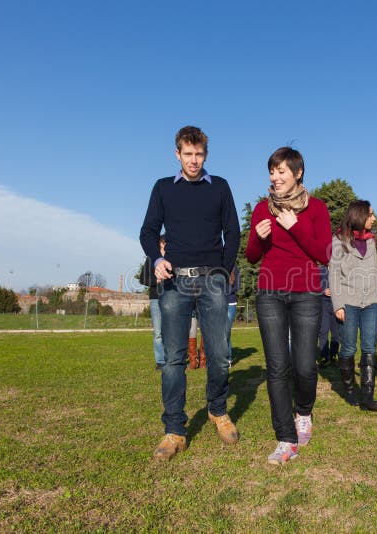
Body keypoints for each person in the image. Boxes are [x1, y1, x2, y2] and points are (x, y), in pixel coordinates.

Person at [139, 125, 241, 460]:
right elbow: (148, 231)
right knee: (173, 359)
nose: (193, 160)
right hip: (174, 283)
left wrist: (223, 270)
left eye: (198, 154)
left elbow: (232, 231)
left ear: (205, 155)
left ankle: (218, 411)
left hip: (212, 281)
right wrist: (157, 259)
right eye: (187, 154)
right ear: (177, 154)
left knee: (220, 354)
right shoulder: (163, 188)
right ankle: (174, 429)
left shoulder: (220, 187)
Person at [245, 146, 332, 465]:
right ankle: (286, 438)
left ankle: (304, 411)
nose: (275, 177)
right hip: (270, 291)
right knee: (277, 366)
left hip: (306, 292)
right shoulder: (261, 209)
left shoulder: (317, 208)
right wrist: (258, 237)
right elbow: (252, 256)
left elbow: (324, 254)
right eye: (272, 171)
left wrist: (295, 226)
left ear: (298, 173)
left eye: (281, 171)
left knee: (305, 365)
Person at [329, 200, 377, 411]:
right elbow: (334, 274)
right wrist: (338, 305)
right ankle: (350, 390)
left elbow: (375, 271)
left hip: (371, 301)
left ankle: (368, 395)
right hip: (348, 302)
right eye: (370, 215)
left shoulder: (371, 241)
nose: (374, 219)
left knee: (370, 346)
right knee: (349, 347)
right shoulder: (338, 241)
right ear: (359, 216)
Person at [139, 234, 167, 370]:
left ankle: (172, 358)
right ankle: (160, 361)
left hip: (172, 297)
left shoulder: (174, 258)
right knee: (158, 332)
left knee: (171, 330)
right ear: (161, 243)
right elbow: (143, 279)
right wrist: (157, 281)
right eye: (166, 242)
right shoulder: (152, 259)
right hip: (156, 298)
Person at [317, 265, 340, 368]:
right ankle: (324, 357)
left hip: (337, 304)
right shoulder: (320, 270)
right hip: (323, 304)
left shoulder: (340, 270)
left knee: (336, 332)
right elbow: (314, 286)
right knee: (323, 331)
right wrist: (323, 291)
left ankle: (334, 355)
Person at [226, 265, 240, 363]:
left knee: (226, 332)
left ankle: (228, 358)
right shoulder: (217, 265)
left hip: (230, 303)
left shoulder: (235, 268)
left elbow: (236, 287)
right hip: (217, 303)